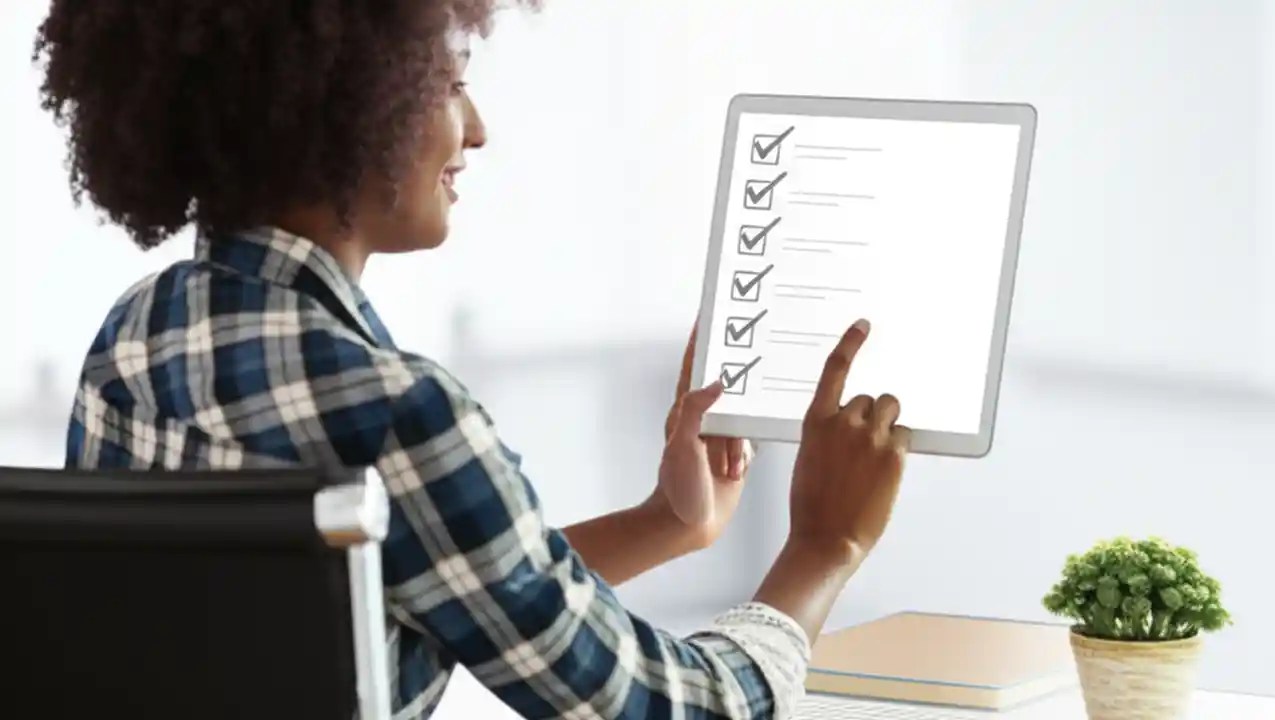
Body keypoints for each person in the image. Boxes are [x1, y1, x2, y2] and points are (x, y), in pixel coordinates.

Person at [36, 2, 912, 718]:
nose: (478, 129)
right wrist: (823, 547)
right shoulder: (399, 415)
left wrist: (667, 523)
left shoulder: (132, 341)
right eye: (450, 84)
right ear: (355, 105)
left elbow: (407, 595)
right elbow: (688, 710)